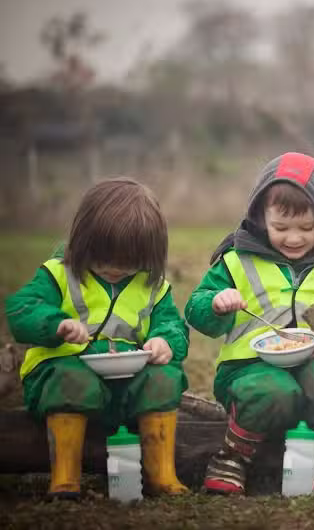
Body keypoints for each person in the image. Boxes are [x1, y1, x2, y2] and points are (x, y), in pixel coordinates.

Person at [185, 152, 314, 494]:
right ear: (261, 217)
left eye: (306, 228)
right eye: (281, 228)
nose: (294, 238)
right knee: (275, 390)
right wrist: (217, 304)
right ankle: (232, 457)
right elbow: (196, 308)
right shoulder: (237, 259)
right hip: (248, 369)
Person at [5, 177, 189, 499]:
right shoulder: (58, 273)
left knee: (165, 378)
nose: (116, 270)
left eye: (129, 263)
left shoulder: (153, 286)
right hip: (58, 376)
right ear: (83, 241)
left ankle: (162, 475)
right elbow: (21, 309)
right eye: (104, 260)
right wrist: (56, 324)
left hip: (127, 380)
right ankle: (65, 479)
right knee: (72, 379)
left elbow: (173, 325)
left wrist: (166, 342)